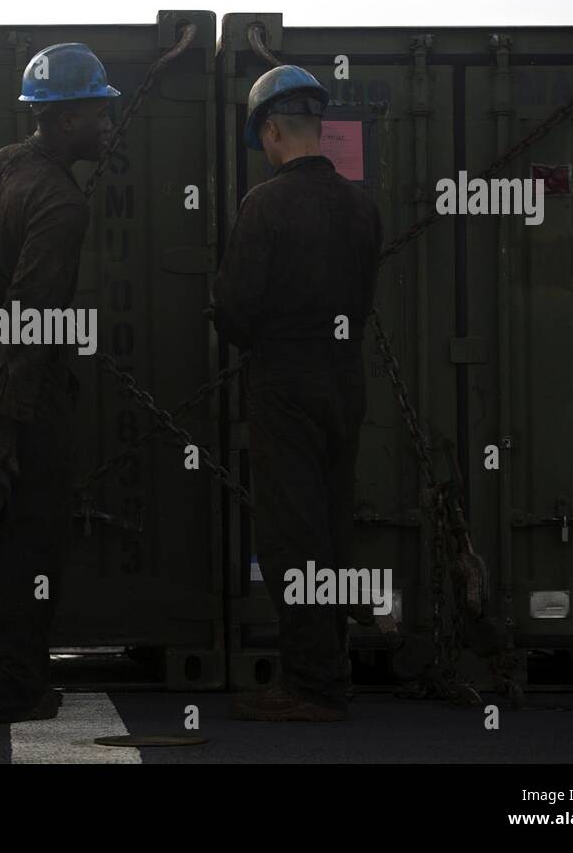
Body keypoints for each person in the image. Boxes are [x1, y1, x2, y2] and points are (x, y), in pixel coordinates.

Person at [0, 42, 117, 723]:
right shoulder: (61, 203)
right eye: (99, 110)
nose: (108, 124)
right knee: (33, 541)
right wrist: (7, 424)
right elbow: (31, 318)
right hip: (16, 378)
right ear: (64, 119)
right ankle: (16, 688)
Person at [213, 64, 382, 721]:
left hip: (285, 384)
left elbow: (235, 314)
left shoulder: (265, 206)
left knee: (292, 533)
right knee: (333, 529)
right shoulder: (362, 205)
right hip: (344, 380)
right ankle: (329, 670)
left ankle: (310, 685)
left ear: (273, 130)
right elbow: (363, 299)